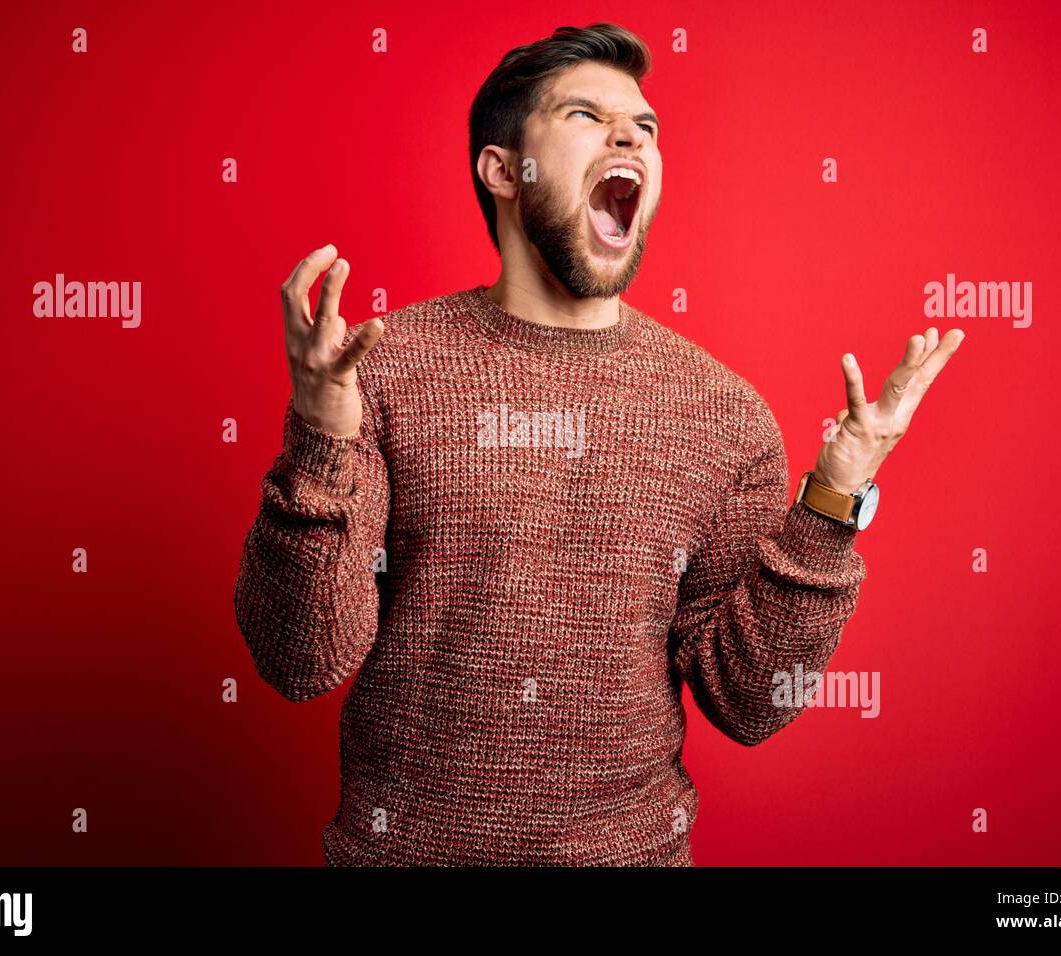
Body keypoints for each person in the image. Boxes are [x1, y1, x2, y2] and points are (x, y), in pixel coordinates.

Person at [233, 22, 963, 866]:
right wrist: (322, 430)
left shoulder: (720, 413)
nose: (631, 136)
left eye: (645, 127)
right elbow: (302, 657)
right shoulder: (381, 371)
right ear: (503, 170)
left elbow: (751, 703)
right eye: (586, 114)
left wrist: (833, 500)